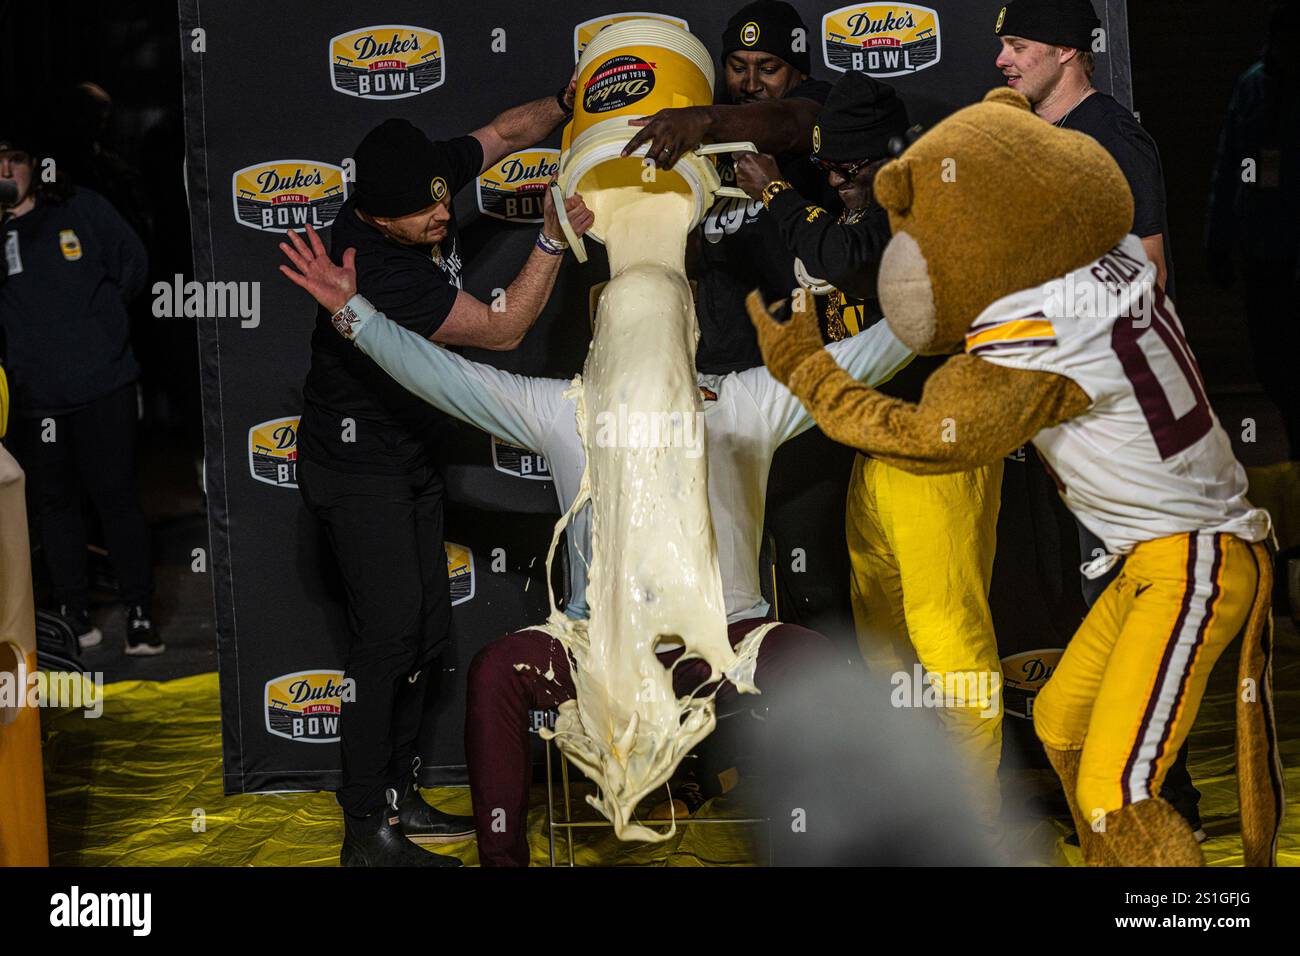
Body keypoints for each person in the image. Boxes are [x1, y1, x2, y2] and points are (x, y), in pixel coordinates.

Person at [277, 221, 914, 866]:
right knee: (498, 669)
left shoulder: (746, 403)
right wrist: (352, 315)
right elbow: (443, 376)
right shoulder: (568, 412)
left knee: (817, 664)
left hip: (728, 640)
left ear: (684, 334)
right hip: (596, 645)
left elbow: (866, 357)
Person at [287, 87, 594, 867]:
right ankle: (366, 828)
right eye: (422, 215)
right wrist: (551, 243)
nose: (441, 217)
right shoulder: (380, 272)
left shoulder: (413, 181)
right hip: (359, 471)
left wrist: (565, 100)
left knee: (425, 633)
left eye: (440, 199)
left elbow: (498, 129)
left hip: (408, 457)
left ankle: (401, 795)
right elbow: (504, 327)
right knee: (387, 644)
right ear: (378, 220)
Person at [733, 72, 1006, 839]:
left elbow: (851, 257)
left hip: (937, 452)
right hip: (879, 453)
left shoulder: (928, 203)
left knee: (949, 641)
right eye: (828, 172)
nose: (838, 186)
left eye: (848, 174)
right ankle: (909, 812)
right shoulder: (868, 204)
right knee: (885, 638)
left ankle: (971, 831)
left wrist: (779, 197)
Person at [994, 0, 1205, 838]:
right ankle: (1107, 799)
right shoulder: (1042, 136)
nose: (1002, 58)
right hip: (1066, 420)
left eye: (1017, 44)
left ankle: (1165, 807)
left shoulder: (1110, 137)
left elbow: (1145, 281)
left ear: (1068, 51)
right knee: (1090, 614)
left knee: (1136, 613)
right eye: (1002, 42)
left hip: (1116, 422)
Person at [623, 0, 852, 642]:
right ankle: (744, 732)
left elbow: (786, 122)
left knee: (815, 581)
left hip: (794, 387)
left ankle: (830, 731)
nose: (752, 81)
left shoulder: (813, 113)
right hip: (716, 390)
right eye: (738, 67)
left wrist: (705, 119)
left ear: (798, 70)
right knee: (724, 590)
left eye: (769, 67)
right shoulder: (704, 153)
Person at [0, 125, 162, 657]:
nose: (5, 171)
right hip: (38, 397)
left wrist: (100, 327)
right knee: (54, 504)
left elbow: (133, 266)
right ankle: (73, 612)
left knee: (115, 497)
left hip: (104, 384)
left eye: (15, 159)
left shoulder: (81, 209)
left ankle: (140, 612)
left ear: (33, 165)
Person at [1206, 1, 1300, 457]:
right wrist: (1218, 243)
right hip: (1265, 248)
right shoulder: (1255, 88)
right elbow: (1230, 167)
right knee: (1272, 355)